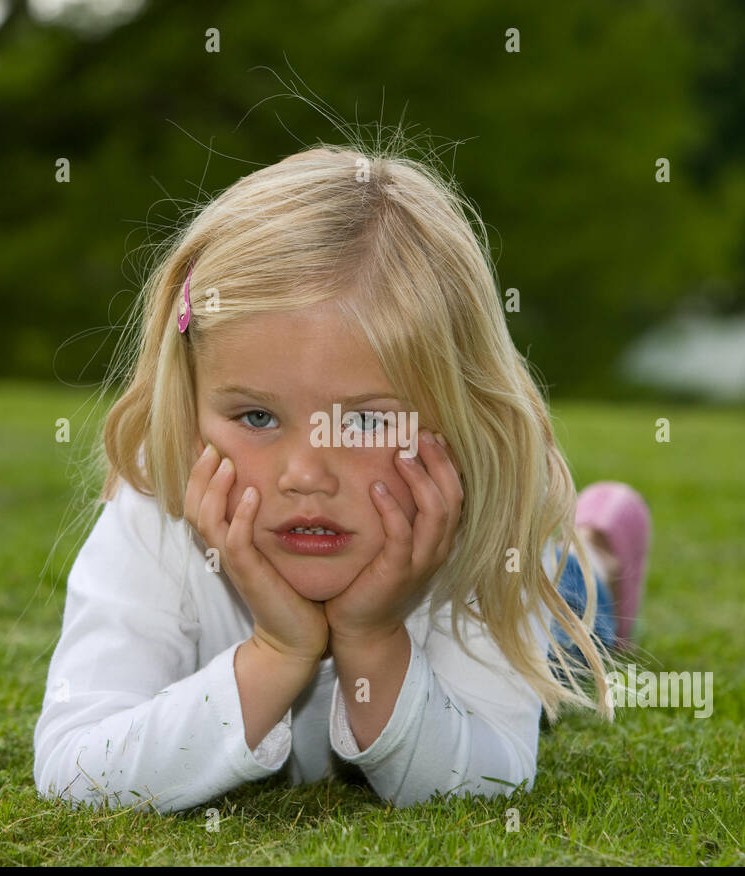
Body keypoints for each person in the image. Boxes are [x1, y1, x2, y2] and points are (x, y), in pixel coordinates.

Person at [33, 143, 651, 814]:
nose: (304, 476)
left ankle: (597, 556)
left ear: (460, 420)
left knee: (563, 624)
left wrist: (374, 638)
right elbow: (76, 769)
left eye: (362, 425)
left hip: (523, 575)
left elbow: (491, 779)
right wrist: (276, 652)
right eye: (258, 416)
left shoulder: (480, 521)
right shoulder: (158, 508)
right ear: (189, 405)